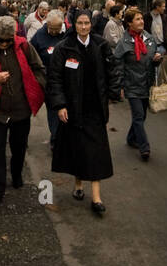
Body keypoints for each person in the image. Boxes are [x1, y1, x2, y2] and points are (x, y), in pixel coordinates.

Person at [48, 12, 121, 215]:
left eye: (86, 23)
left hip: (95, 106)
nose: (83, 27)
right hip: (73, 107)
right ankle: (78, 183)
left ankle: (96, 197)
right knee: (78, 147)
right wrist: (60, 105)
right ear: (74, 25)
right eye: (79, 23)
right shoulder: (64, 47)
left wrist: (113, 93)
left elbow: (112, 69)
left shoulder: (100, 44)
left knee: (96, 150)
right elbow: (54, 78)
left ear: (91, 24)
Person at [0, 15, 47, 210]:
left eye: (8, 40)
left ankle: (17, 174)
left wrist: (35, 85)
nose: (4, 44)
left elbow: (39, 69)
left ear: (13, 36)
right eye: (0, 40)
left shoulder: (24, 47)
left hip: (21, 109)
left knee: (19, 146)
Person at [112, 7, 166, 161]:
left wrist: (157, 60)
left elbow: (152, 62)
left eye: (142, 19)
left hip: (146, 83)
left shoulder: (149, 39)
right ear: (129, 23)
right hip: (131, 84)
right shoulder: (124, 43)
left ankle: (131, 138)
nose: (141, 21)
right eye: (137, 19)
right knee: (138, 116)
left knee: (141, 117)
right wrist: (119, 86)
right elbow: (118, 66)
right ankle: (144, 147)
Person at [30, 10, 72, 148]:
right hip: (49, 82)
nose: (54, 32)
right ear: (46, 24)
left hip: (67, 80)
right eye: (51, 28)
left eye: (57, 28)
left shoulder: (68, 33)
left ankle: (66, 137)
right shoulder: (39, 36)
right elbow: (30, 56)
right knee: (54, 111)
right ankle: (56, 139)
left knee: (68, 110)